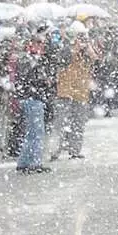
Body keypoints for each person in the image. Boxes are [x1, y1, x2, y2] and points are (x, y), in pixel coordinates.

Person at [54, 23, 97, 157]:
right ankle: (56, 150)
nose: (82, 40)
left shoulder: (87, 52)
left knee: (78, 123)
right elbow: (61, 62)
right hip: (65, 92)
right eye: (79, 36)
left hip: (81, 93)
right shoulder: (65, 50)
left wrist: (89, 50)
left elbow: (96, 62)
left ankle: (75, 150)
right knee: (61, 124)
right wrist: (75, 49)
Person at [14, 33, 52, 174]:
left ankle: (24, 162)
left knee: (32, 132)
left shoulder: (35, 59)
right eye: (39, 42)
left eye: (43, 43)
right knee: (36, 132)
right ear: (32, 43)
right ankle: (34, 162)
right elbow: (27, 79)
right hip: (32, 98)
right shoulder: (27, 59)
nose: (42, 45)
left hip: (33, 98)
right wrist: (43, 81)